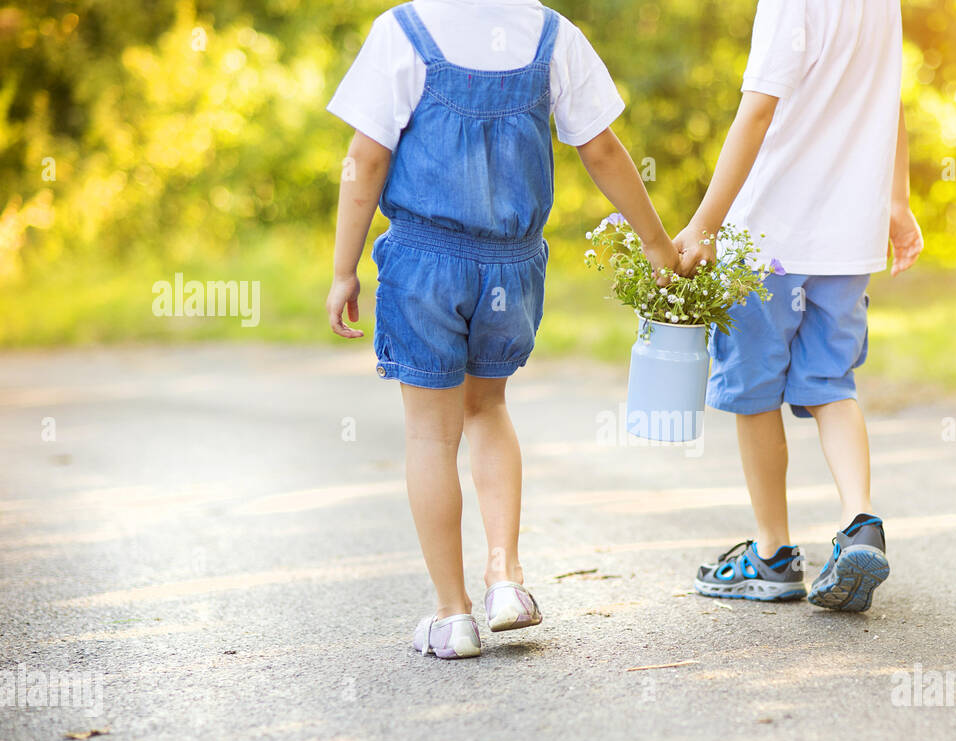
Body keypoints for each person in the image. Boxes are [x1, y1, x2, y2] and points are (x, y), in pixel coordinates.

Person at [325, 1, 679, 658]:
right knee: (487, 407)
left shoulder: (403, 32)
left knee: (431, 435)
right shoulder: (550, 36)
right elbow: (600, 148)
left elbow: (366, 159)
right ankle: (505, 577)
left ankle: (452, 614)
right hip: (510, 270)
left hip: (426, 261)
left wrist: (344, 267)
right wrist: (655, 243)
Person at [678, 0, 924, 612]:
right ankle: (860, 523)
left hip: (770, 239)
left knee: (753, 391)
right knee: (829, 385)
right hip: (847, 238)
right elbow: (889, 103)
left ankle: (773, 555)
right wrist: (897, 200)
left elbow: (758, 109)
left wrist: (706, 225)